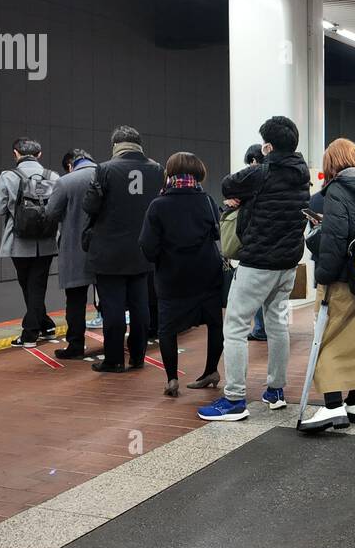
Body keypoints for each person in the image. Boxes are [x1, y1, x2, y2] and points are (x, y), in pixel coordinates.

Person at [197, 116, 310, 422]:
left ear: (268, 146)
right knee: (276, 325)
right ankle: (276, 390)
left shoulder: (262, 173)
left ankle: (234, 399)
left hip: (258, 262)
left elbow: (227, 184)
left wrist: (260, 162)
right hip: (287, 264)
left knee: (234, 327)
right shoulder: (302, 174)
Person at [298, 140, 355, 431]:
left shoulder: (337, 190)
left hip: (341, 277)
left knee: (328, 338)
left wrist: (323, 276)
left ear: (332, 163)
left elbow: (335, 238)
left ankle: (332, 406)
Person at [139, 152, 227, 398]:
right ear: (197, 173)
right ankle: (211, 371)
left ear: (171, 174)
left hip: (172, 277)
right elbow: (217, 234)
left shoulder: (159, 204)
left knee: (167, 328)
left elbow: (147, 246)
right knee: (214, 323)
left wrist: (160, 258)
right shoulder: (207, 201)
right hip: (207, 274)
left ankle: (172, 379)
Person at [82, 125, 165, 373]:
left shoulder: (105, 168)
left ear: (116, 145)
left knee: (113, 307)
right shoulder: (157, 169)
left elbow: (90, 206)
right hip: (142, 249)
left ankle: (114, 359)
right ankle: (138, 357)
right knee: (141, 305)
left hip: (109, 251)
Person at [0, 138, 60, 348]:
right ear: (39, 154)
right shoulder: (54, 177)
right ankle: (46, 324)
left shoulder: (8, 176)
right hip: (47, 240)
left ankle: (30, 333)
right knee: (38, 284)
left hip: (19, 241)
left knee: (27, 284)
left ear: (16, 153)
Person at [46, 149, 99, 359]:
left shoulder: (66, 181)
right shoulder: (108, 175)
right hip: (106, 248)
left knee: (76, 301)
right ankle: (118, 344)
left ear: (70, 165)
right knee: (112, 297)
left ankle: (76, 345)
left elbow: (51, 213)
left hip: (75, 249)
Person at [243, 143, 269, 342]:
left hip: (259, 248)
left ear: (253, 160)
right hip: (283, 251)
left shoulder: (254, 181)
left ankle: (260, 329)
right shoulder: (283, 177)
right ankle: (265, 328)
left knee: (257, 294)